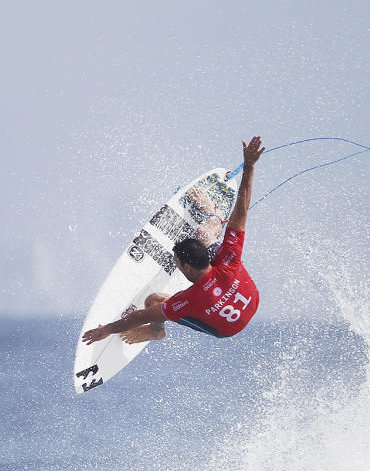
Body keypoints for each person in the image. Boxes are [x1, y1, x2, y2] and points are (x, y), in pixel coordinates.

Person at [81, 136, 266, 346]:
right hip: (252, 298)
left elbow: (143, 315)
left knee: (154, 302)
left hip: (227, 326)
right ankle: (212, 215)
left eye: (176, 262)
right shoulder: (228, 260)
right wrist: (249, 166)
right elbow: (240, 214)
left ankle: (156, 332)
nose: (175, 265)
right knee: (206, 235)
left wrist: (106, 329)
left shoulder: (189, 301)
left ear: (187, 266)